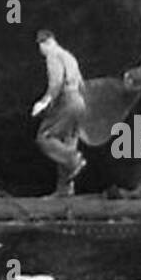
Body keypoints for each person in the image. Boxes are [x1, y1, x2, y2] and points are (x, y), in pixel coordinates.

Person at [32, 29, 87, 196]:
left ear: (46, 43)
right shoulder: (69, 56)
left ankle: (74, 160)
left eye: (40, 46)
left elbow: (56, 82)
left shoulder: (53, 56)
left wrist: (44, 102)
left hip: (67, 100)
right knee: (66, 142)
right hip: (79, 102)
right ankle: (65, 191)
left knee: (45, 137)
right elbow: (82, 84)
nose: (40, 51)